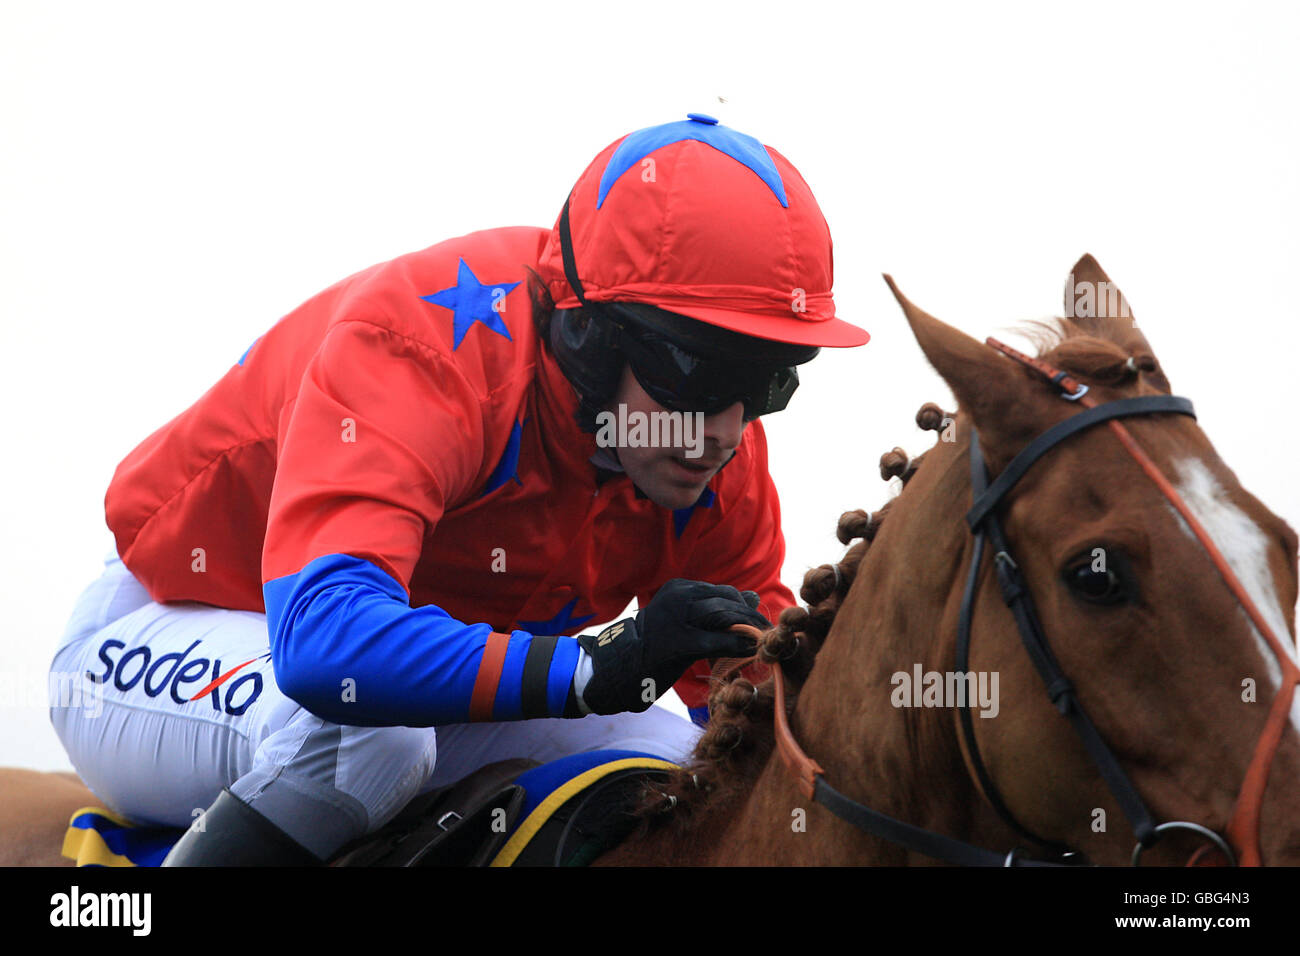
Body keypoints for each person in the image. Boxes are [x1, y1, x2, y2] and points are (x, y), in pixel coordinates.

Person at [48, 113, 870, 865]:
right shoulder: (418, 347)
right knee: (375, 744)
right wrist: (595, 664)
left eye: (765, 380)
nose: (725, 429)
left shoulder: (709, 453)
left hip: (409, 678)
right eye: (697, 367)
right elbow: (324, 643)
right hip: (169, 630)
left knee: (670, 767)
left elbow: (751, 718)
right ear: (588, 335)